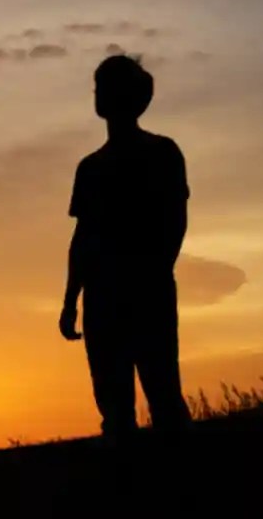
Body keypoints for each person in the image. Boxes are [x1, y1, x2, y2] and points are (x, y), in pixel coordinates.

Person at [60, 54, 193, 438]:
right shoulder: (90, 168)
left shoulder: (163, 152)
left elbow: (175, 222)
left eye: (105, 87)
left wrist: (154, 271)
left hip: (146, 290)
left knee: (163, 395)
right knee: (115, 408)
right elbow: (82, 238)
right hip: (103, 299)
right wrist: (71, 300)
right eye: (98, 87)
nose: (98, 94)